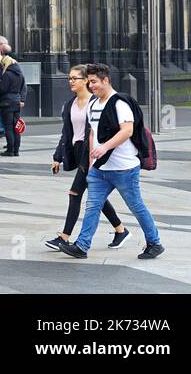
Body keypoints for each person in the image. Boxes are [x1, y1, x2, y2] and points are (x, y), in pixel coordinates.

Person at [60, 64, 165, 260]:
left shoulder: (120, 103)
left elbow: (127, 131)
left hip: (124, 168)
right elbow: (92, 132)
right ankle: (82, 246)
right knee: (92, 206)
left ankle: (155, 242)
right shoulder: (93, 104)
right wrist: (92, 158)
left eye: (94, 82)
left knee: (136, 206)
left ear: (106, 80)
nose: (91, 86)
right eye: (89, 82)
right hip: (100, 169)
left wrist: (105, 147)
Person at [46, 65, 130, 252]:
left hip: (90, 153)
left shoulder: (96, 103)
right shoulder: (70, 104)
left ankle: (64, 237)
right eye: (69, 78)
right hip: (76, 151)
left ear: (85, 81)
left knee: (75, 193)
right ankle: (120, 229)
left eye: (75, 78)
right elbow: (66, 133)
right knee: (96, 195)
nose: (71, 82)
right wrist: (57, 157)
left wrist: (100, 151)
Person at [0, 52, 25, 156]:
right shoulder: (20, 73)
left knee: (8, 127)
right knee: (16, 126)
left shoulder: (7, 74)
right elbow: (23, 87)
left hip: (7, 102)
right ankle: (16, 150)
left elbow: (2, 89)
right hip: (16, 101)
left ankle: (10, 150)